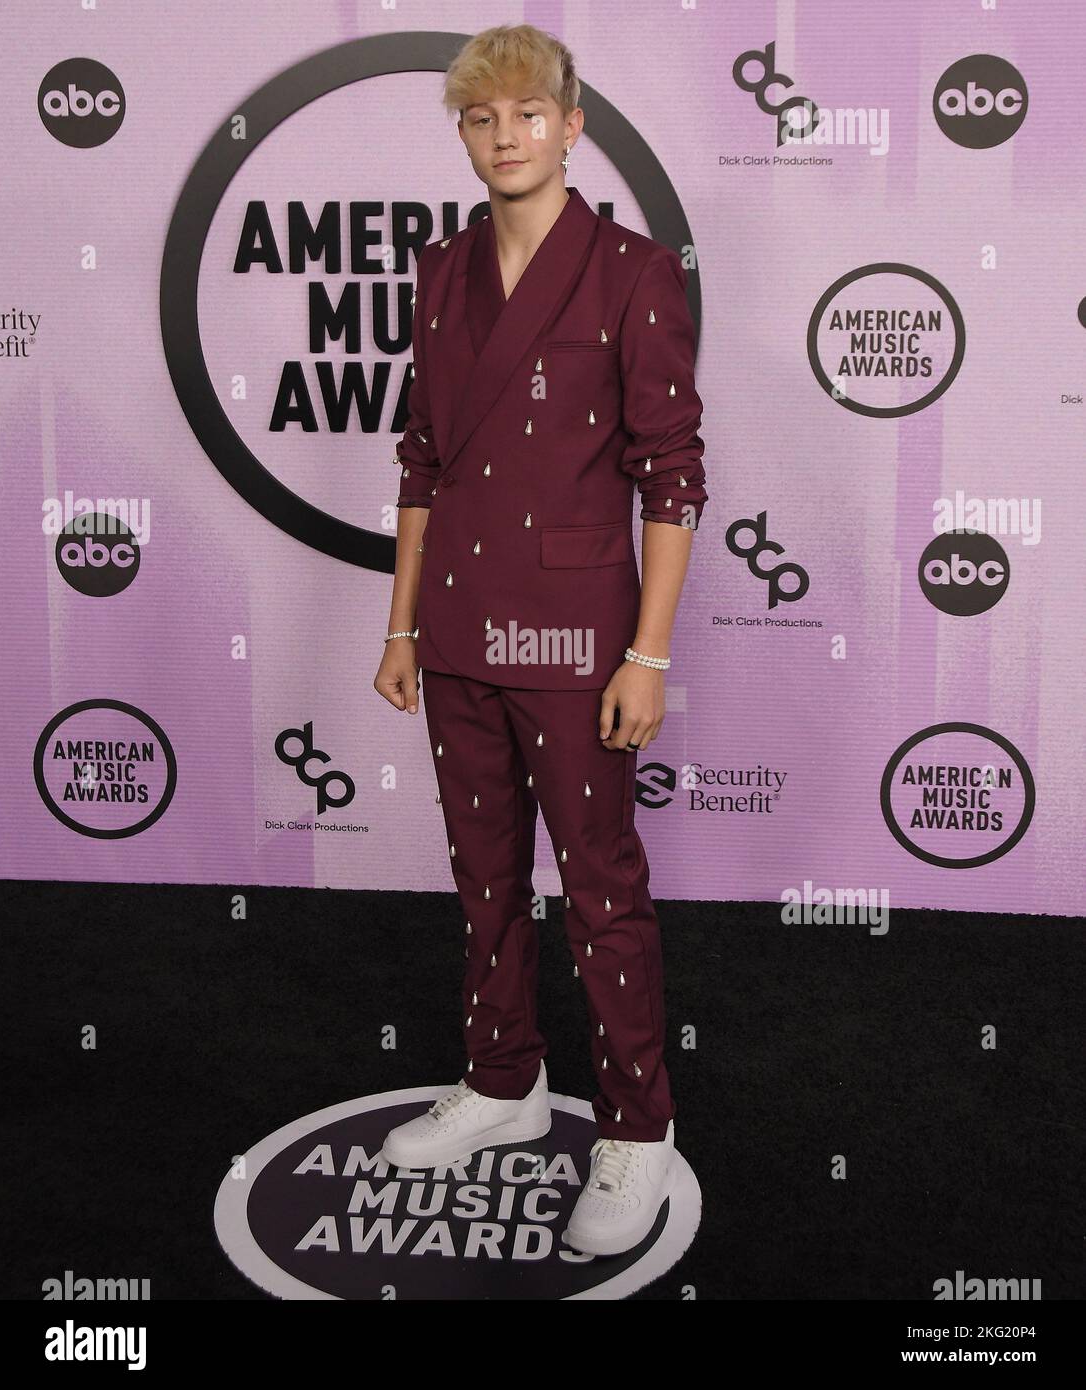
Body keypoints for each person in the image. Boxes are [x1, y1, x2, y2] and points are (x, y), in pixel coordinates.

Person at [373, 22, 708, 1258]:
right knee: (483, 881)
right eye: (479, 119)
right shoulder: (438, 271)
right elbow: (419, 460)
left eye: (526, 115)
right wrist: (402, 622)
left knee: (601, 887)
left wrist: (648, 652)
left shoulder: (630, 270)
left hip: (576, 639)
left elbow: (670, 476)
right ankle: (502, 1083)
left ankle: (637, 1124)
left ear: (571, 127)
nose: (504, 137)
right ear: (460, 134)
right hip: (455, 621)